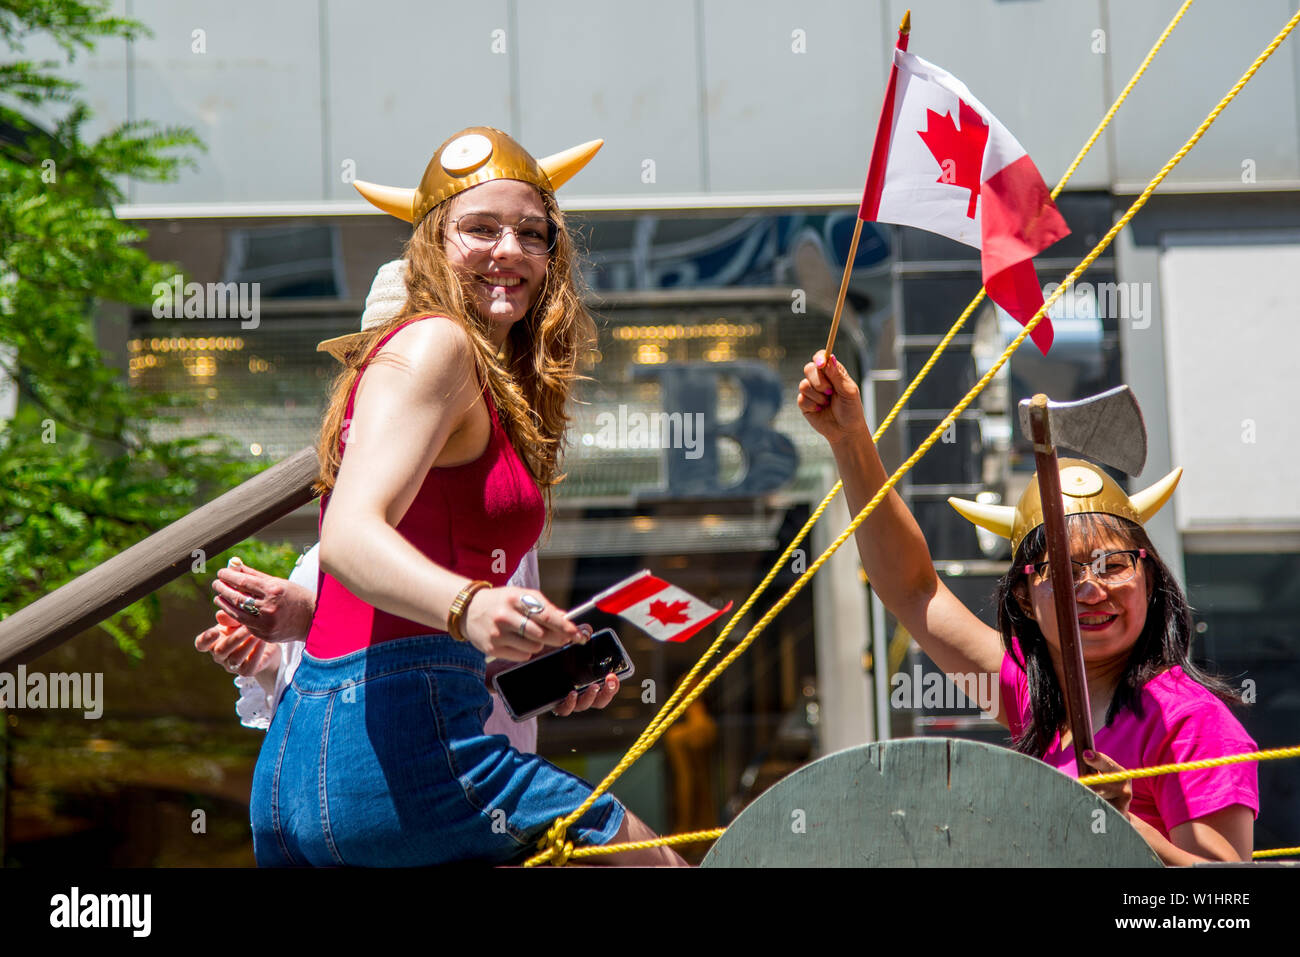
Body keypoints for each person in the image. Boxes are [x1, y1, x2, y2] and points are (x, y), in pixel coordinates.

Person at [247, 126, 683, 866]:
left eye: (530, 232)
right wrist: (472, 606)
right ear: (431, 247)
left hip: (311, 765)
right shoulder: (437, 345)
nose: (509, 250)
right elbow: (351, 536)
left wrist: (517, 666)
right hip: (404, 755)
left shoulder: (471, 372)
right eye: (479, 228)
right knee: (651, 859)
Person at [798, 350, 1257, 865]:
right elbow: (913, 592)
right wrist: (849, 438)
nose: (1090, 589)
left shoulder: (1188, 719)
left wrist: (1125, 829)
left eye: (1113, 564)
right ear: (1024, 594)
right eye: (1062, 572)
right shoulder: (1035, 699)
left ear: (1149, 577)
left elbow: (1227, 905)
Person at [194, 261, 616, 747]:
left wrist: (546, 659)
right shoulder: (343, 537)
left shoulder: (503, 510)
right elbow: (323, 680)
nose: (413, 401)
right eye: (391, 378)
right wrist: (279, 639)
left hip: (476, 750)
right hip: (416, 760)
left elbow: (485, 651)